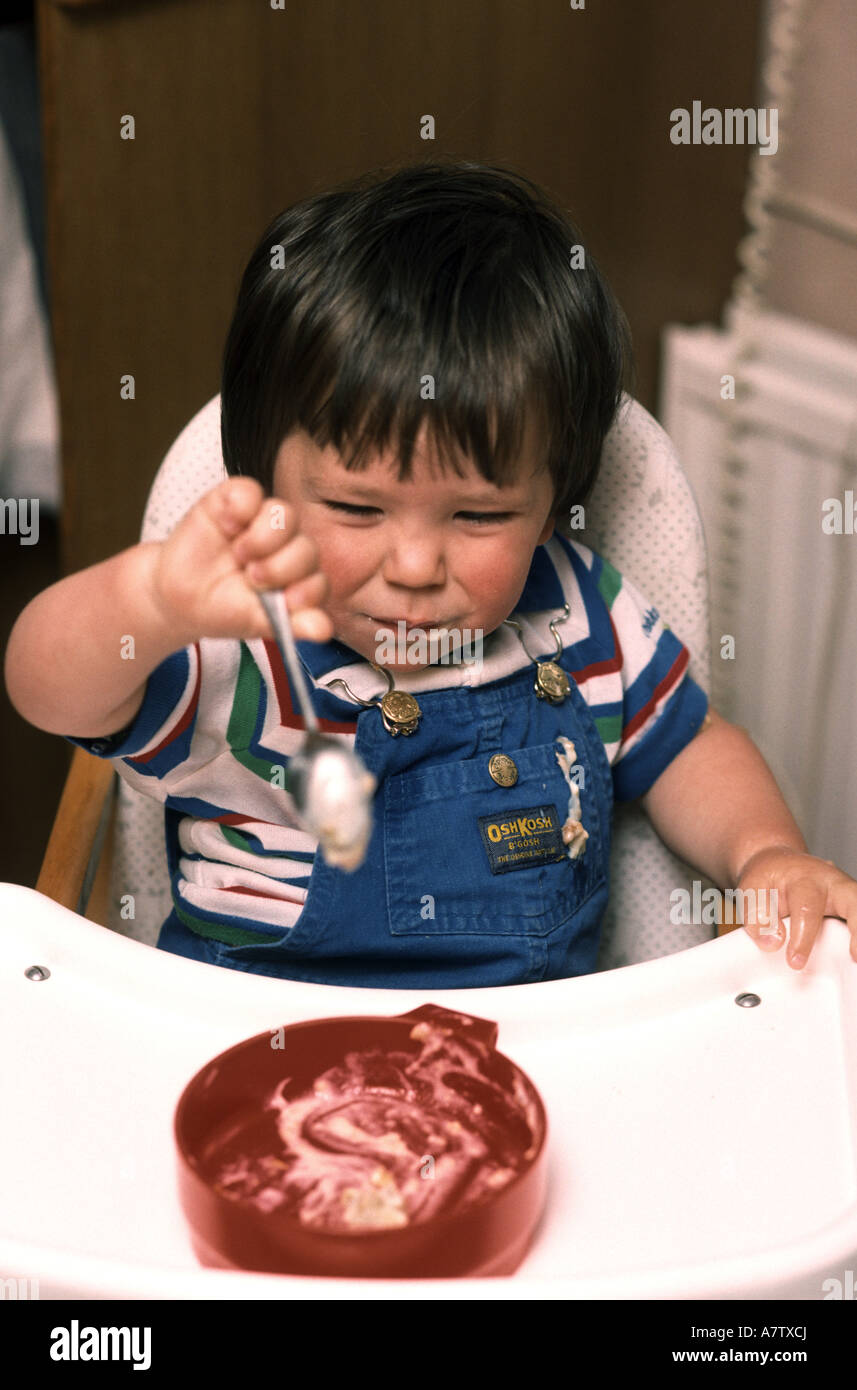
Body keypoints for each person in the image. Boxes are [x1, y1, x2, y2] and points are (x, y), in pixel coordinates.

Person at [6, 160, 857, 988]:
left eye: (479, 516)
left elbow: (689, 746)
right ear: (266, 484)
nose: (414, 566)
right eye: (357, 508)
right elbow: (48, 689)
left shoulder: (577, 615)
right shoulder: (236, 633)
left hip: (534, 1053)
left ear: (552, 502)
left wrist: (764, 851)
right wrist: (147, 602)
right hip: (257, 1044)